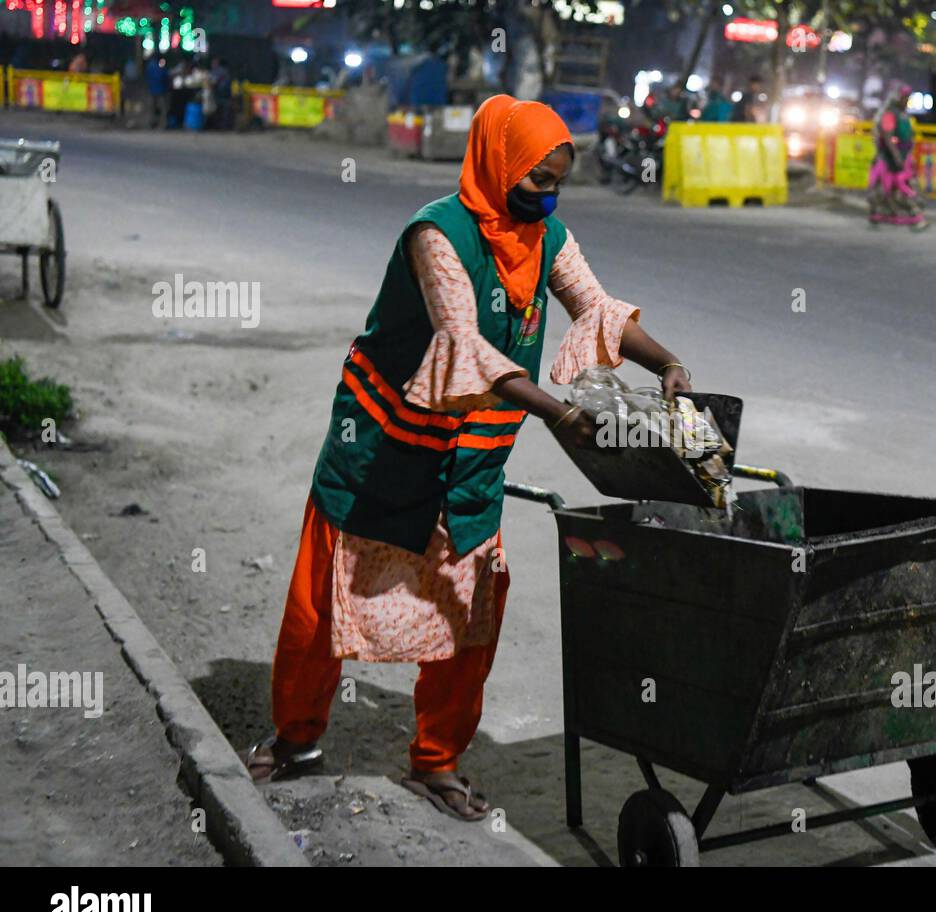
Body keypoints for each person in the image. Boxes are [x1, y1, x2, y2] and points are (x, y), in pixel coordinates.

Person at [244, 95, 693, 821]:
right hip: (383, 450)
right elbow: (462, 342)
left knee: (469, 612)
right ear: (499, 163)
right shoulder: (437, 234)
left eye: (557, 183)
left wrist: (667, 362)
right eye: (536, 181)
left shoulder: (545, 237)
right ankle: (296, 738)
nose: (547, 197)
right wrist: (555, 413)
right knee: (319, 606)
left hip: (470, 462)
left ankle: (436, 761)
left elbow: (595, 306)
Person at [867, 83, 926, 229]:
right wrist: (896, 155)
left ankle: (910, 217)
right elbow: (887, 137)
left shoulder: (904, 115)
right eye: (905, 97)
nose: (907, 100)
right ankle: (915, 218)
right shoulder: (890, 114)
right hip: (889, 158)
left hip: (902, 157)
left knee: (903, 188)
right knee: (890, 188)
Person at [146, 55, 169, 129]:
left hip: (152, 90)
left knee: (152, 109)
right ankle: (163, 125)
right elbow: (165, 76)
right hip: (160, 91)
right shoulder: (160, 67)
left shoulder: (149, 67)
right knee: (163, 109)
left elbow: (147, 78)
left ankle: (151, 124)